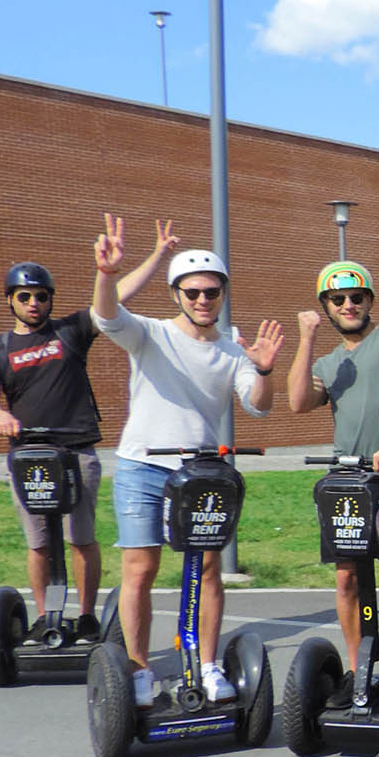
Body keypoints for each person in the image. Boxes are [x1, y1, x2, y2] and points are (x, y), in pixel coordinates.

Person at [92, 227, 282, 708]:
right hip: (142, 466)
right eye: (193, 292)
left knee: (207, 568)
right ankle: (138, 669)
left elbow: (259, 406)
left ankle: (208, 663)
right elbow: (105, 314)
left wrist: (262, 369)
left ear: (222, 294)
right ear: (177, 294)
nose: (202, 299)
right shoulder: (149, 333)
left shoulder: (232, 350)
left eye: (211, 291)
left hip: (199, 474)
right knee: (140, 569)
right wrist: (106, 274)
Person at [0, 215, 172, 632]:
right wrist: (1, 416)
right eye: (25, 296)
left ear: (50, 299)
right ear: (10, 299)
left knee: (81, 537)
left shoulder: (71, 331)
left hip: (77, 450)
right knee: (40, 543)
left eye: (42, 296)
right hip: (28, 456)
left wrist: (156, 255)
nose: (34, 304)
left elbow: (115, 296)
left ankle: (85, 616)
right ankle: (47, 617)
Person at [284, 261, 379, 681]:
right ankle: (357, 672)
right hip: (349, 483)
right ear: (326, 306)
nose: (348, 305)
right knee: (348, 578)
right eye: (338, 299)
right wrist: (306, 338)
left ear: (369, 299)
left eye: (356, 297)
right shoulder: (331, 362)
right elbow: (297, 401)